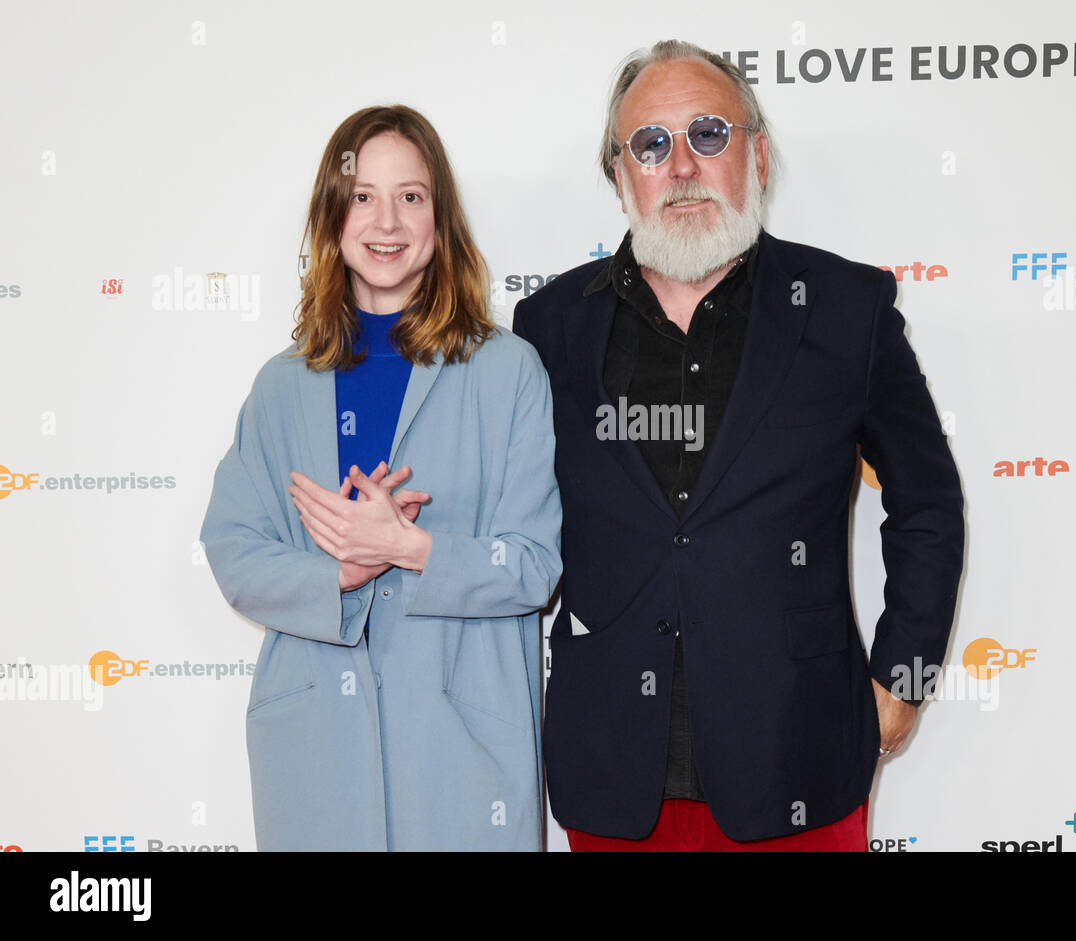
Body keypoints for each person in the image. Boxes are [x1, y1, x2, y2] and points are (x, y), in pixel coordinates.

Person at [511, 40, 964, 851]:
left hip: (801, 761)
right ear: (621, 177)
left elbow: (927, 498)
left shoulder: (843, 308)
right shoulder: (547, 329)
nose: (680, 164)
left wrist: (906, 675)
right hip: (614, 769)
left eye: (708, 134)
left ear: (755, 152)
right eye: (650, 144)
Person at [200, 105, 561, 851]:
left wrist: (413, 547)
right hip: (316, 750)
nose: (386, 220)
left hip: (463, 750)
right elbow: (234, 551)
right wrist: (339, 570)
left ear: (441, 216)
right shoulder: (281, 386)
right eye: (362, 196)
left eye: (411, 195)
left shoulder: (507, 371)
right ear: (333, 218)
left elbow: (533, 565)